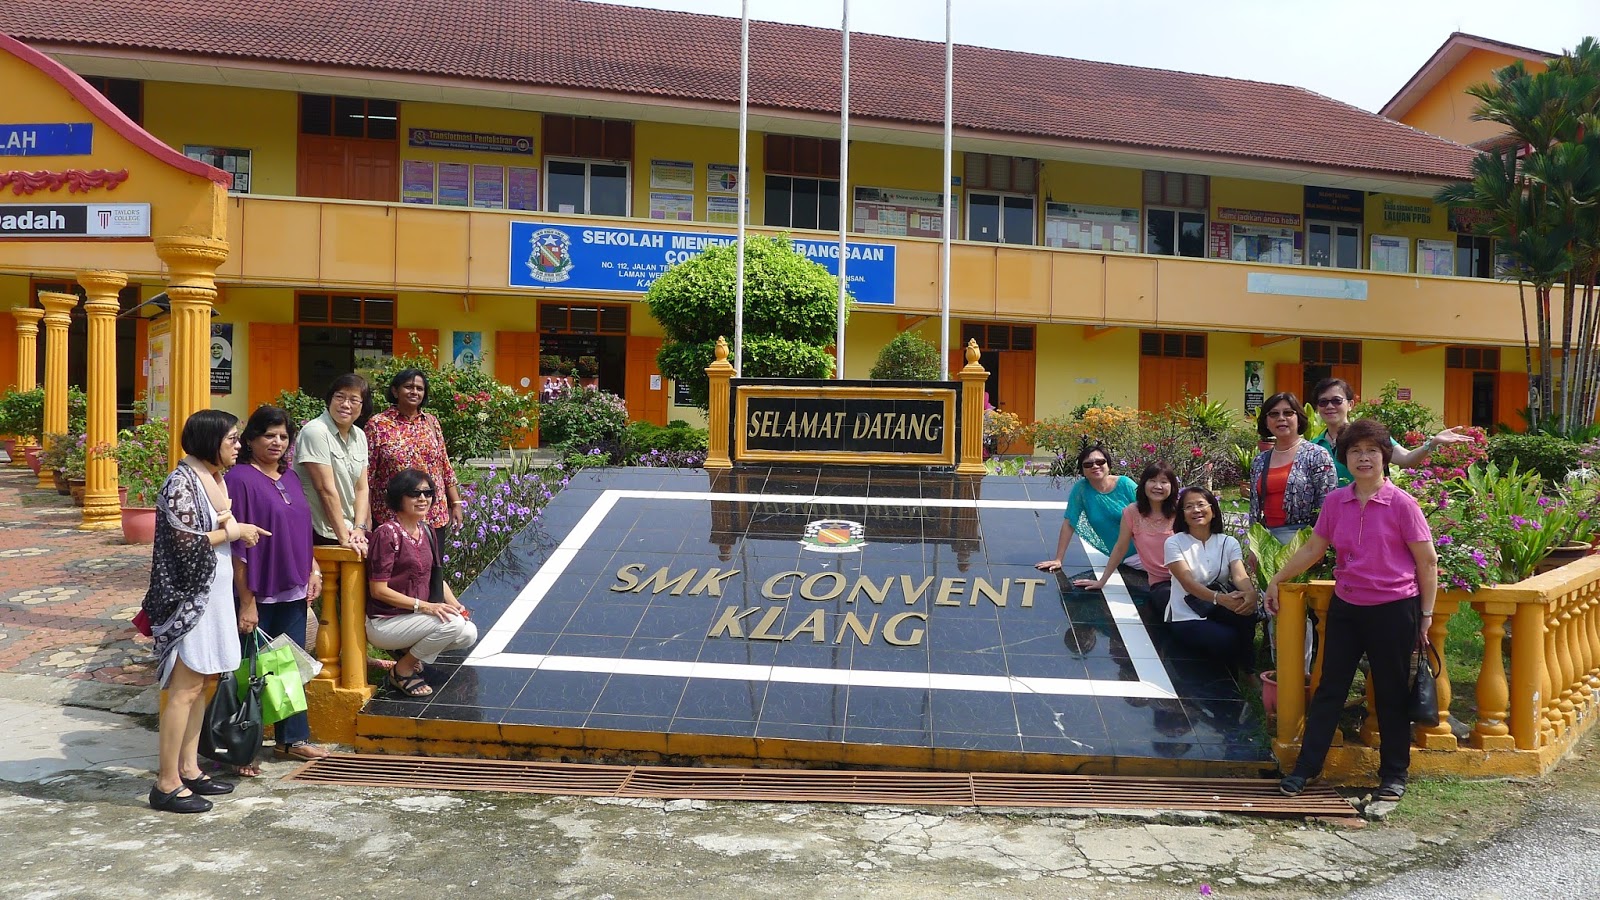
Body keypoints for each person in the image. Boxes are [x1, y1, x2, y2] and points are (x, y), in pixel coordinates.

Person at [1266, 419, 1437, 802]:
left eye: (1371, 451)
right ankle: (1306, 769)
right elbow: (1314, 549)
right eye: (1356, 451)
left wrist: (1425, 615)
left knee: (1391, 693)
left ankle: (1393, 777)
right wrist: (1277, 578)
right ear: (1345, 458)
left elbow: (1427, 563)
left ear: (1385, 457)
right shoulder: (1335, 501)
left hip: (1394, 609)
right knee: (1329, 690)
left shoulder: (1402, 504)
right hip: (1347, 607)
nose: (1363, 458)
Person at [141, 410, 269, 813]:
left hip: (211, 596)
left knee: (208, 682)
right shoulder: (180, 483)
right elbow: (187, 545)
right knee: (185, 688)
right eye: (231, 438)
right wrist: (234, 531)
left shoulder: (214, 480)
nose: (237, 445)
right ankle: (165, 783)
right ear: (209, 441)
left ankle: (189, 768)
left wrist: (235, 529)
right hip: (187, 600)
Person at [226, 405, 327, 770]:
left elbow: (302, 530)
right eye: (269, 435)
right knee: (250, 671)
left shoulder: (291, 478)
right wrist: (246, 602)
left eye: (283, 436)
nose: (277, 442)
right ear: (251, 438)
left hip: (293, 589)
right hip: (258, 590)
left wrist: (312, 568)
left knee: (288, 667)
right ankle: (243, 747)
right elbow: (239, 547)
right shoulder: (239, 478)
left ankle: (292, 740)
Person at [366, 468, 477, 697]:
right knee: (451, 625)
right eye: (415, 494)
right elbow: (378, 590)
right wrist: (426, 606)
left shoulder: (425, 530)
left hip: (413, 619)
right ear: (399, 497)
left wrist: (456, 604)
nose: (423, 499)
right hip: (386, 622)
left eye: (428, 493)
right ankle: (402, 670)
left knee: (468, 633)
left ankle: (407, 653)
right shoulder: (387, 533)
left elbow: (434, 576)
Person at [1164, 486, 1260, 671]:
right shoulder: (1174, 543)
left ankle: (1248, 671)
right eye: (1189, 506)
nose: (1196, 510)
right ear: (1182, 515)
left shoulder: (1228, 542)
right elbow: (1187, 582)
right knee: (1226, 638)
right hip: (1187, 614)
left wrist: (1250, 594)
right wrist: (1219, 599)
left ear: (1213, 510)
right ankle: (1226, 671)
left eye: (1201, 504)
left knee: (1248, 614)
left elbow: (1239, 575)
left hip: (1219, 608)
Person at [364, 368, 463, 547]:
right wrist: (366, 516)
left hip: (432, 515)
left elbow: (444, 465)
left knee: (432, 572)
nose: (414, 392)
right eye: (408, 387)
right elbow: (367, 475)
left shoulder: (431, 422)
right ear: (395, 391)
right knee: (396, 572)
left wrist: (455, 502)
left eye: (419, 388)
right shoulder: (378, 424)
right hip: (393, 516)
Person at [1310, 377, 1469, 486]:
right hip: (1325, 516)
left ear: (1350, 404)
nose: (1330, 406)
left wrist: (1433, 442)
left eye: (1336, 401)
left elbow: (1407, 459)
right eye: (1323, 402)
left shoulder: (1369, 435)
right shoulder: (1314, 446)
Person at [1073, 461, 1178, 620]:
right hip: (1161, 583)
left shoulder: (1180, 512)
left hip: (1190, 576)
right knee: (1173, 610)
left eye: (1164, 482)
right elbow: (1120, 548)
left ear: (1172, 487)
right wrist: (1102, 581)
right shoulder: (1132, 513)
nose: (1158, 486)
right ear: (1143, 484)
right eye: (1152, 481)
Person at [294, 373, 371, 558]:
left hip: (351, 531)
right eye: (340, 397)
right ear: (330, 399)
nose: (345, 405)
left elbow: (362, 488)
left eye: (354, 400)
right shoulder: (315, 431)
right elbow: (325, 489)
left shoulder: (359, 435)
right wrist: (344, 538)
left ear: (363, 407)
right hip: (321, 530)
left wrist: (360, 529)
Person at [1249, 392, 1337, 544]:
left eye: (1288, 413)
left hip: (1304, 539)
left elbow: (1327, 505)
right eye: (1274, 414)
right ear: (1266, 422)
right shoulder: (1260, 460)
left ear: (1299, 418)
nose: (1281, 418)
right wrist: (1253, 544)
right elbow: (1254, 507)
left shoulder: (1316, 455)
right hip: (1266, 540)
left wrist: (1317, 545)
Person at [1036, 442, 1138, 571]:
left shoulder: (1125, 484)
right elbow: (1069, 523)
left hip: (1149, 549)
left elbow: (1154, 509)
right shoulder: (1082, 490)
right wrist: (1058, 559)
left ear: (1108, 465)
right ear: (1082, 470)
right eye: (1088, 464)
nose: (1095, 466)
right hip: (1128, 558)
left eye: (1100, 462)